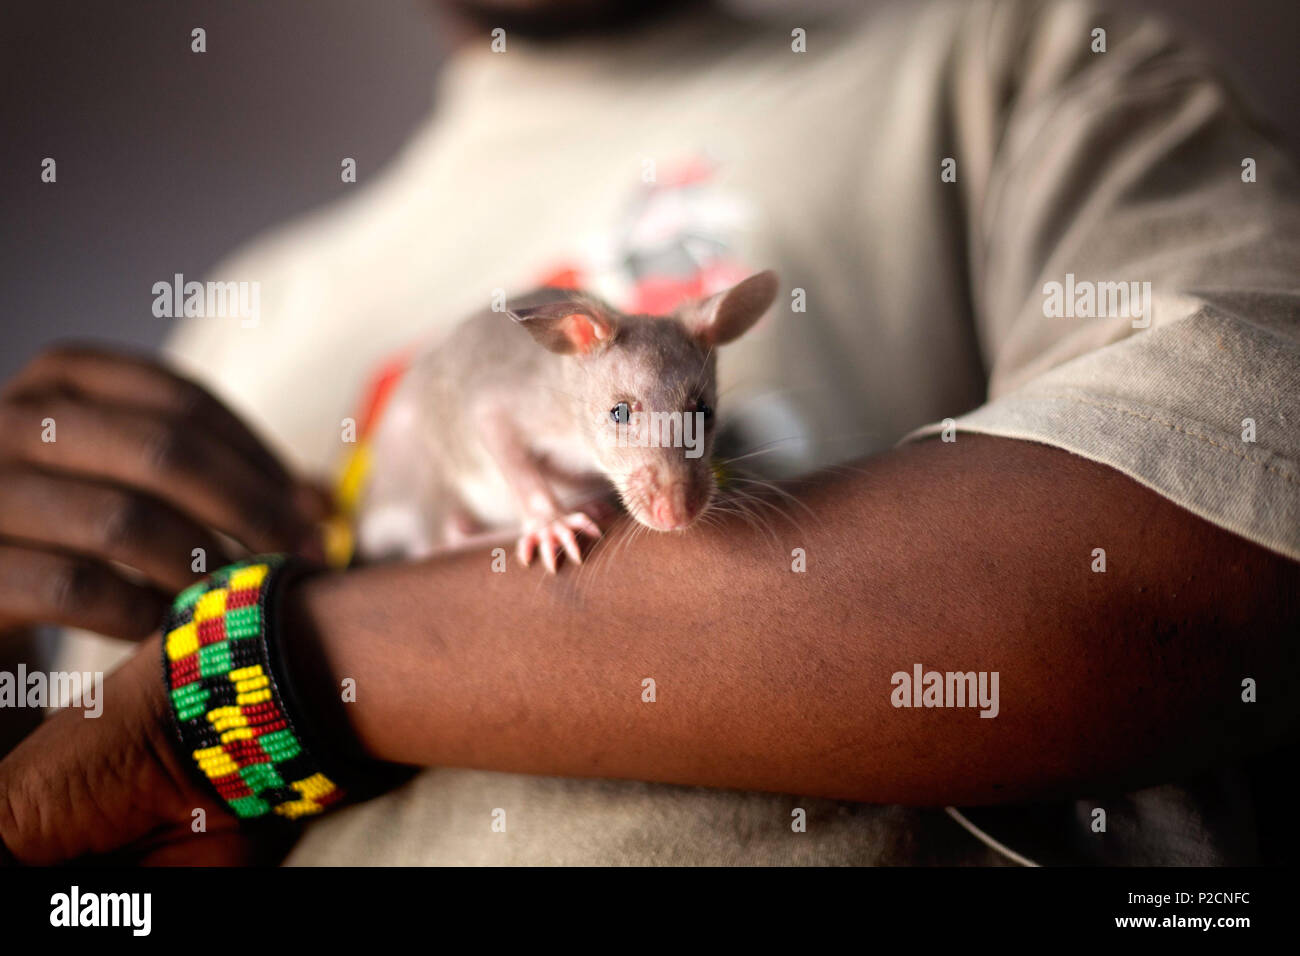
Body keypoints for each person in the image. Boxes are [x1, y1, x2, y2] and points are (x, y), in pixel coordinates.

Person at [1, 0, 1297, 866]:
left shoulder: (1015, 54)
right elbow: (90, 835)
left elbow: (1207, 542)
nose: (677, 482)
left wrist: (250, 677)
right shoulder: (238, 314)